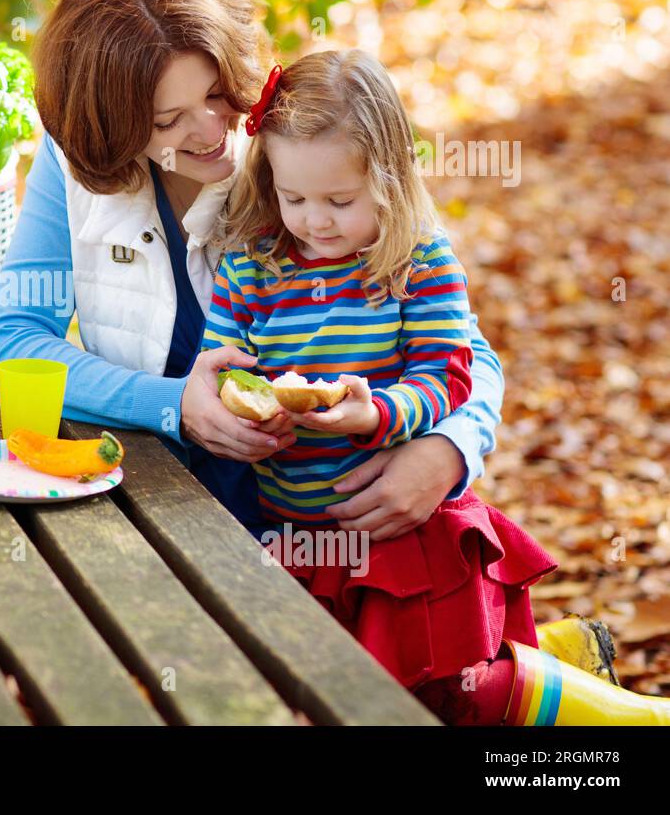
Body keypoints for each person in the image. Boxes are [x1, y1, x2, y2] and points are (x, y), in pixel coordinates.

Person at [202, 47, 670, 725]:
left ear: (388, 180)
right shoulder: (253, 265)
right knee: (349, 689)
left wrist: (378, 415)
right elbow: (229, 366)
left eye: (340, 200)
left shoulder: (415, 259)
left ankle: (624, 723)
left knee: (432, 690)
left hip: (403, 530)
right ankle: (559, 658)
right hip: (302, 529)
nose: (316, 220)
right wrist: (245, 414)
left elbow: (447, 372)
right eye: (293, 196)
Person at [0, 0, 502, 540]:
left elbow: (460, 345)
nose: (209, 131)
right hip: (159, 500)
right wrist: (170, 403)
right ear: (110, 127)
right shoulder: (74, 163)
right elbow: (13, 347)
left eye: (216, 93)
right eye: (166, 121)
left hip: (325, 503)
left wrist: (448, 452)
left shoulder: (302, 143)